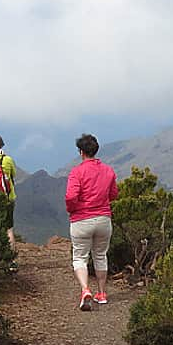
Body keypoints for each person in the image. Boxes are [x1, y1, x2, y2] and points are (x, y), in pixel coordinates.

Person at [65, 133, 118, 311]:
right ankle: (102, 293)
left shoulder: (77, 172)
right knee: (100, 255)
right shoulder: (108, 171)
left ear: (81, 152)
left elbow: (71, 196)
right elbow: (114, 195)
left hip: (81, 220)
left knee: (80, 257)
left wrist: (72, 209)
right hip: (103, 219)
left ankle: (85, 289)